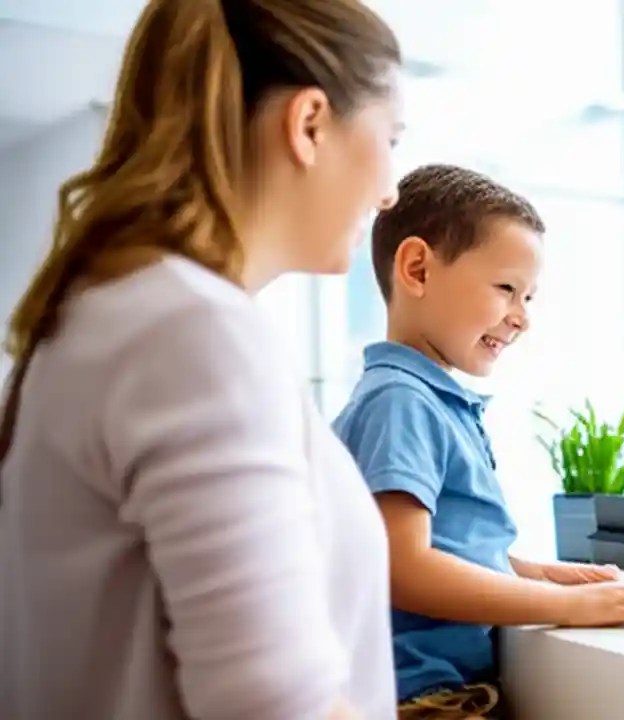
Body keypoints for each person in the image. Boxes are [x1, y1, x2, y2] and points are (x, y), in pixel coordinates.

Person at [0, 1, 404, 718]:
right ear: (309, 124)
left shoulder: (113, 312)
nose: (390, 188)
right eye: (391, 138)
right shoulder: (192, 331)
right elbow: (278, 708)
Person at [332, 164, 624, 719]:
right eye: (506, 289)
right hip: (427, 702)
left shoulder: (424, 401)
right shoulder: (401, 402)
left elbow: (446, 543)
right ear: (417, 268)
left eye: (529, 298)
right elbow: (403, 563)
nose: (521, 319)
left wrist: (533, 571)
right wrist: (565, 605)